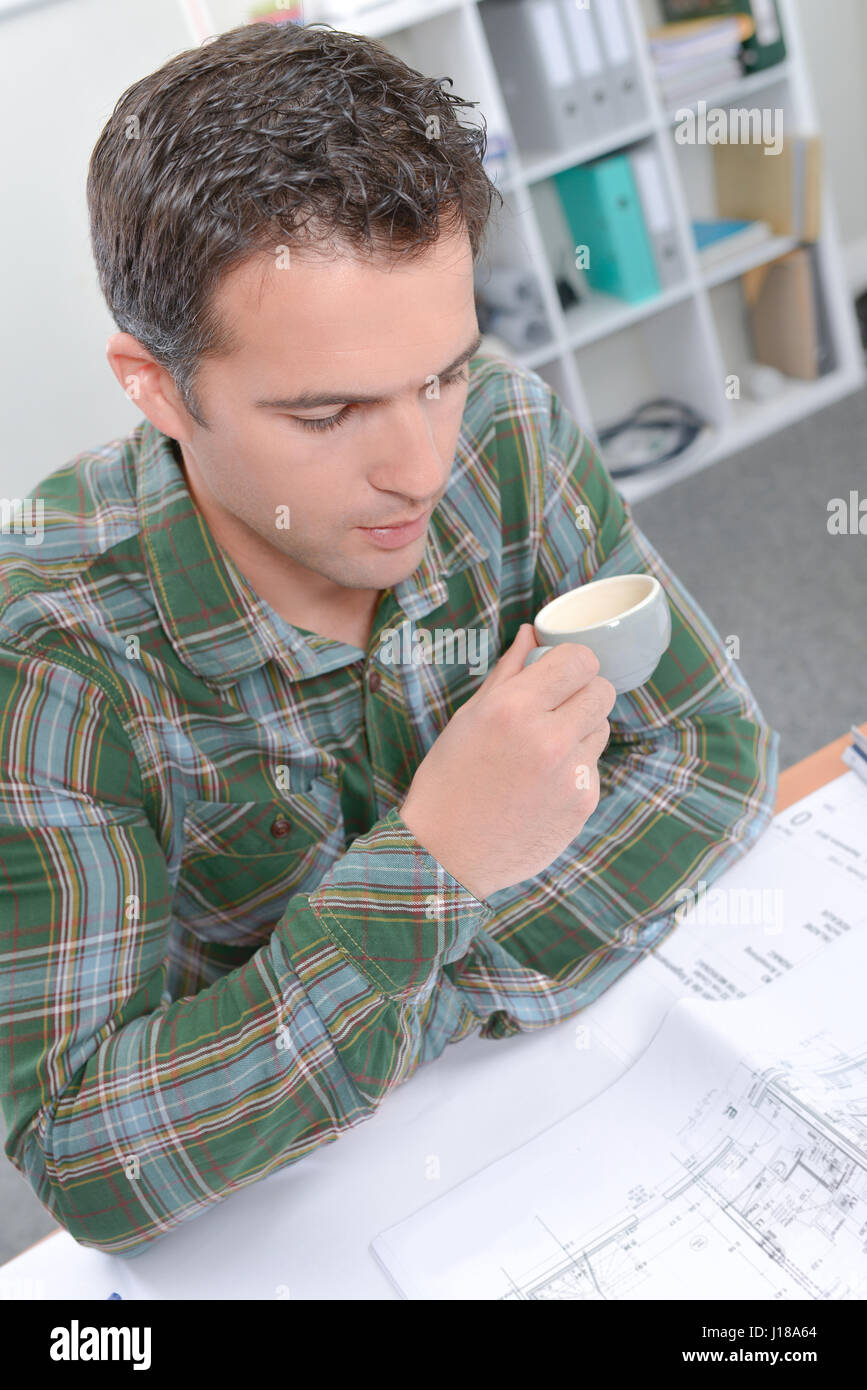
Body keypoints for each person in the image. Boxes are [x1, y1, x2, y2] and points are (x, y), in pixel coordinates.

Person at [0, 21, 778, 1258]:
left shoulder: (507, 428)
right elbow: (90, 1160)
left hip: (473, 1136)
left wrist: (408, 989)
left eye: (441, 373)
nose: (422, 469)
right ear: (155, 386)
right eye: (325, 411)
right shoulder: (46, 656)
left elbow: (719, 755)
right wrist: (442, 859)